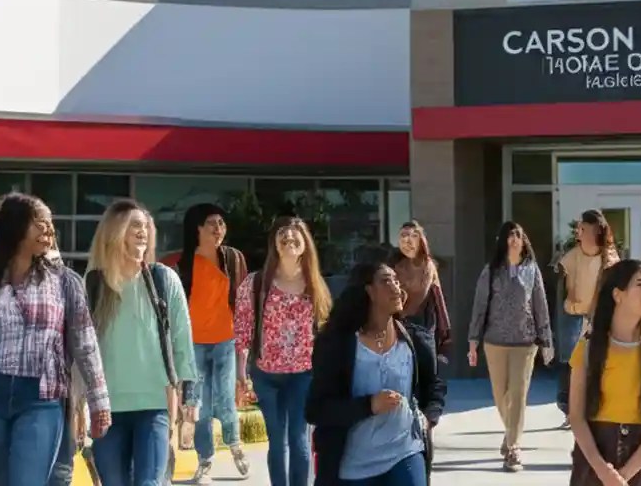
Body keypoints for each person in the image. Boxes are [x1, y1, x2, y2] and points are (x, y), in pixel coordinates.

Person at [0, 193, 111, 486]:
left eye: (50, 224)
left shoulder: (65, 282)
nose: (49, 230)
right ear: (16, 228)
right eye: (40, 223)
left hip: (41, 398)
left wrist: (99, 403)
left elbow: (86, 345)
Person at [85, 200, 199, 486]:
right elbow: (81, 348)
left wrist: (190, 399)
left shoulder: (164, 279)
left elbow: (183, 340)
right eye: (134, 225)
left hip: (154, 405)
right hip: (106, 407)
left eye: (146, 226)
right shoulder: (94, 284)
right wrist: (78, 405)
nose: (143, 231)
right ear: (114, 232)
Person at [306, 261, 447, 486]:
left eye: (396, 281)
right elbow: (316, 410)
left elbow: (434, 385)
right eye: (386, 280)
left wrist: (429, 417)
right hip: (352, 463)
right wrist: (368, 406)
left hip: (405, 450)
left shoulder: (414, 340)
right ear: (368, 291)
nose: (396, 287)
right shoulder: (337, 345)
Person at [235, 217, 332, 486]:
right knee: (277, 441)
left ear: (305, 244)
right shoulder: (256, 283)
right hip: (265, 374)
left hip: (303, 374)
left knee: (299, 438)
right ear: (275, 245)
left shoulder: (316, 285)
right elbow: (242, 330)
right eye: (283, 236)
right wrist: (240, 373)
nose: (289, 240)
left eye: (295, 236)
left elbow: (326, 331)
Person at [569, 259, 641, 485]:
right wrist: (603, 470)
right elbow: (577, 417)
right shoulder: (588, 348)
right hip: (596, 458)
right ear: (618, 295)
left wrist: (624, 474)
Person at [163, 203, 250, 482]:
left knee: (226, 399)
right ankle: (206, 460)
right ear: (197, 228)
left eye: (221, 224)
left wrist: (244, 352)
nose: (218, 229)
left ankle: (235, 444)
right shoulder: (181, 264)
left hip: (226, 339)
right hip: (193, 345)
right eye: (211, 223)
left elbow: (243, 303)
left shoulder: (233, 259)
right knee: (196, 404)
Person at [466, 221, 555, 472]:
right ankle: (510, 432)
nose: (514, 239)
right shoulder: (491, 270)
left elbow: (541, 306)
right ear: (503, 241)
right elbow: (479, 307)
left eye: (518, 234)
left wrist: (546, 341)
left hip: (525, 342)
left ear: (523, 239)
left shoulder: (532, 270)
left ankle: (514, 448)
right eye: (510, 235)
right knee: (500, 395)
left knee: (517, 394)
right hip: (495, 341)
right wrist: (473, 341)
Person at [556, 210, 620, 425]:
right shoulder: (570, 257)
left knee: (596, 362)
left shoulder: (609, 259)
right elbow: (560, 290)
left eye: (583, 229)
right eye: (579, 228)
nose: (579, 233)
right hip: (572, 315)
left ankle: (593, 408)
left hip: (599, 317)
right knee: (570, 362)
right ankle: (569, 409)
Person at [389, 221, 451, 364]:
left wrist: (445, 335)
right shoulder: (393, 265)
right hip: (396, 327)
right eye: (403, 236)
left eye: (413, 236)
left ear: (421, 241)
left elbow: (438, 300)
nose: (407, 240)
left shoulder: (427, 266)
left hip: (423, 328)